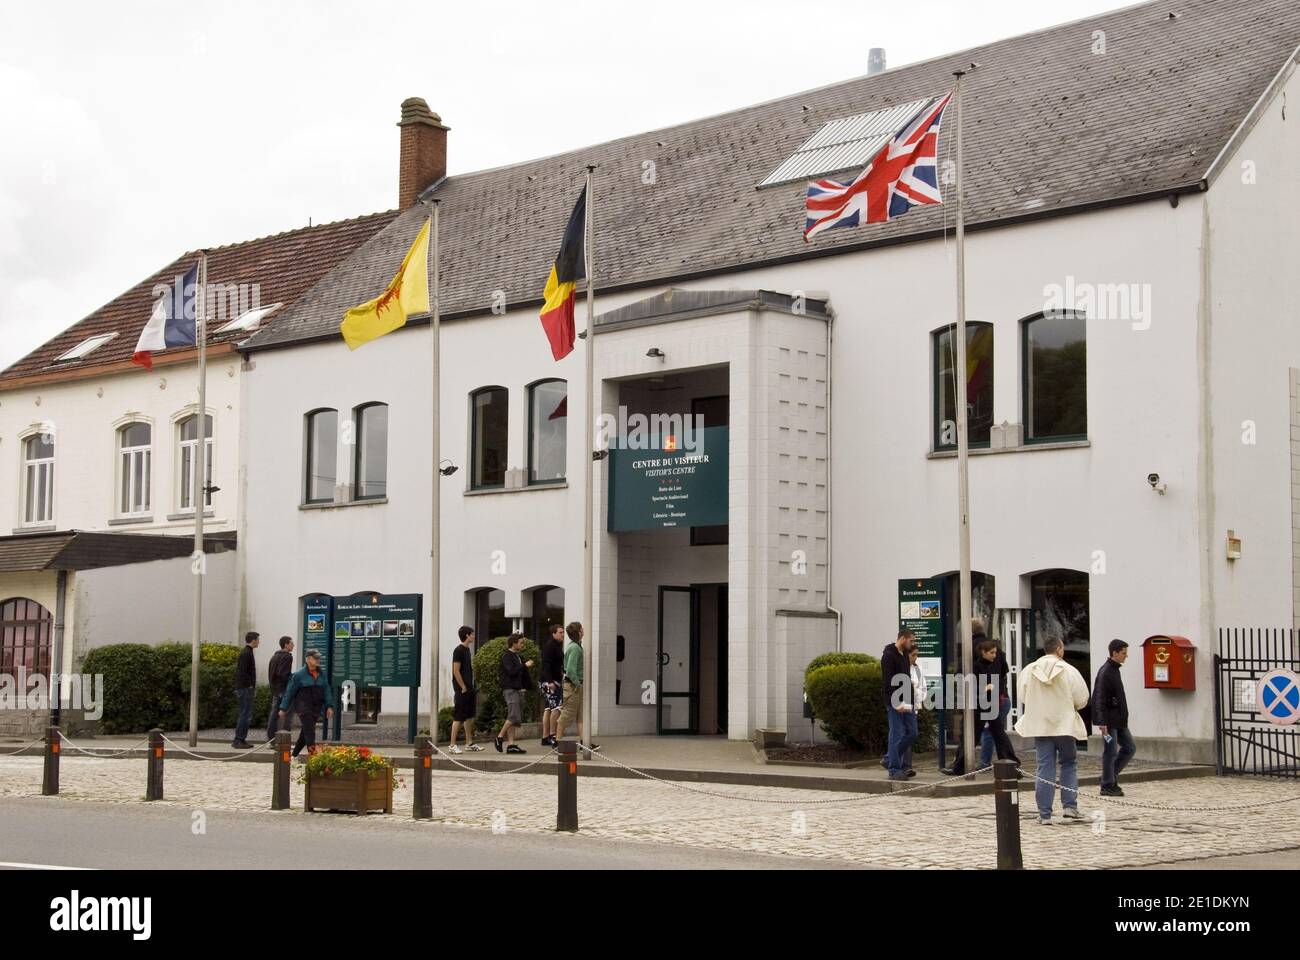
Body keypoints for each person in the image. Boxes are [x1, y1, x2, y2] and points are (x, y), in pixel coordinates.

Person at [1014, 636, 1090, 825]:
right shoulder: (1069, 670)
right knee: (1069, 763)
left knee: (1044, 766)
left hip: (1041, 725)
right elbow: (1082, 698)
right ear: (1059, 649)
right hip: (1064, 724)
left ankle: (1044, 813)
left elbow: (1023, 696)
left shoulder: (1029, 670)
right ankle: (1070, 807)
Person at [944, 637, 1019, 775]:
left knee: (998, 733)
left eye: (995, 653)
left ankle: (1011, 764)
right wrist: (984, 688)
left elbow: (1002, 677)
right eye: (991, 653)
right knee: (974, 735)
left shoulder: (991, 665)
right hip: (980, 705)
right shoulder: (977, 666)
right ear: (983, 652)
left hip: (991, 704)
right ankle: (959, 766)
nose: (994, 656)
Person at [1092, 639, 1136, 797]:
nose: (1126, 656)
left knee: (1130, 748)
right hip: (1109, 722)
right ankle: (1107, 784)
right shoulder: (1106, 671)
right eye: (1124, 653)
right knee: (1110, 751)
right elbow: (1099, 697)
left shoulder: (1115, 670)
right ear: (1115, 653)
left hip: (1119, 720)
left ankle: (1108, 776)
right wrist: (1101, 722)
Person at [277, 649, 335, 758]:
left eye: (319, 658)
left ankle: (293, 756)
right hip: (303, 707)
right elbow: (289, 692)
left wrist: (329, 706)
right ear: (308, 659)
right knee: (310, 731)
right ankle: (313, 757)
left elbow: (327, 690)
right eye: (316, 658)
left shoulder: (322, 674)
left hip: (316, 708)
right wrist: (283, 708)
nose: (318, 660)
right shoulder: (298, 675)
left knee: (305, 733)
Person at [556, 621, 598, 751]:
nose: (583, 629)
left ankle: (584, 742)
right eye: (581, 628)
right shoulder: (575, 648)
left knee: (581, 715)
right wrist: (578, 684)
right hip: (573, 686)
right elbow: (571, 670)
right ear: (579, 632)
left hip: (574, 685)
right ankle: (557, 743)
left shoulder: (575, 646)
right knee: (567, 715)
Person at [882, 629, 917, 781]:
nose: (913, 644)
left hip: (907, 702)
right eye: (911, 640)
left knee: (912, 733)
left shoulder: (904, 656)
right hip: (895, 702)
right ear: (903, 639)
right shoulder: (888, 656)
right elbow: (888, 682)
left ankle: (890, 758)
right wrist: (895, 702)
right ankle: (894, 769)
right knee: (895, 735)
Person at [495, 633, 534, 754]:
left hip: (518, 689)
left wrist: (525, 687)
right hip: (510, 689)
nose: (523, 645)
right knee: (513, 716)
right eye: (521, 643)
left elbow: (522, 675)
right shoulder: (507, 656)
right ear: (514, 643)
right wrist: (524, 665)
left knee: (513, 717)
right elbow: (511, 672)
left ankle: (511, 745)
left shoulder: (518, 656)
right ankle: (499, 737)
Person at [449, 626, 483, 754]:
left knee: (468, 716)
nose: (474, 636)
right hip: (461, 689)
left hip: (469, 687)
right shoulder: (458, 651)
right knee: (459, 716)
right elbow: (456, 670)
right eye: (472, 634)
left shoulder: (467, 650)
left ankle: (469, 743)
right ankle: (452, 745)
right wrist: (462, 686)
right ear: (467, 635)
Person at [232, 631, 259, 748]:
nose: (259, 642)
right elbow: (243, 672)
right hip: (245, 688)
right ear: (253, 640)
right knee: (245, 714)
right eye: (257, 639)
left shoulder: (247, 652)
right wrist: (249, 685)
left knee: (246, 713)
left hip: (245, 687)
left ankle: (240, 739)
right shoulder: (246, 653)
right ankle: (239, 739)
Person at [539, 623, 565, 747]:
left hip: (551, 680)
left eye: (563, 632)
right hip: (550, 682)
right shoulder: (550, 646)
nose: (563, 635)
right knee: (556, 708)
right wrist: (550, 681)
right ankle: (552, 735)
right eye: (560, 632)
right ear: (553, 633)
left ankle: (545, 737)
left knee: (548, 708)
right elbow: (546, 665)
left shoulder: (556, 646)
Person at [265, 635, 295, 742]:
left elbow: (272, 674)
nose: (293, 645)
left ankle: (271, 738)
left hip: (275, 689)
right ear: (286, 644)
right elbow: (283, 674)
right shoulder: (287, 656)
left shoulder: (274, 657)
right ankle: (284, 738)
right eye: (291, 643)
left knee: (274, 713)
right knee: (288, 713)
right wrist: (292, 679)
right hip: (284, 689)